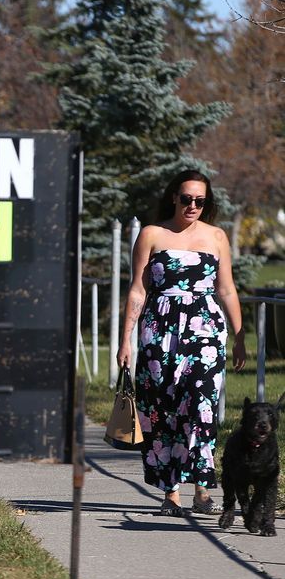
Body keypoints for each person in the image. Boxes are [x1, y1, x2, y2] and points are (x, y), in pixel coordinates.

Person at [117, 170, 247, 517]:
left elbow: (227, 289)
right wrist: (125, 340)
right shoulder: (152, 234)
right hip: (159, 332)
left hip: (205, 333)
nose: (192, 206)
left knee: (202, 407)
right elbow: (138, 290)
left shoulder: (217, 236)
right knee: (164, 411)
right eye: (187, 198)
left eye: (200, 201)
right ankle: (170, 493)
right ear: (174, 196)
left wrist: (239, 336)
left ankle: (202, 489)